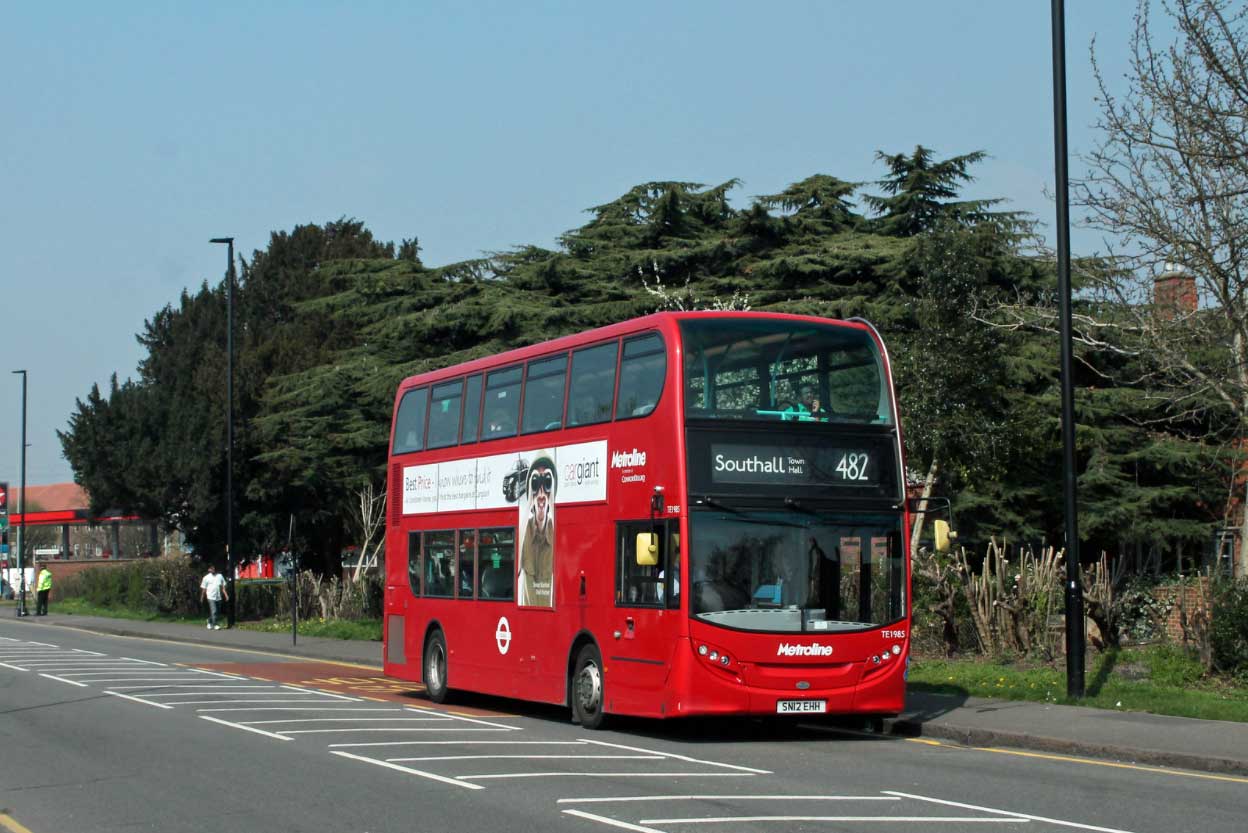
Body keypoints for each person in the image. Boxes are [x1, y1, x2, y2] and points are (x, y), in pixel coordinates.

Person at [518, 456, 556, 606]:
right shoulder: (524, 530)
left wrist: (551, 498)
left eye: (546, 484)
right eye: (535, 485)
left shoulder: (555, 530)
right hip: (526, 616)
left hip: (549, 617)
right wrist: (529, 501)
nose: (541, 494)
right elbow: (516, 569)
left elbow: (567, 558)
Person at [200, 564, 229, 630]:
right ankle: (215, 624)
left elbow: (223, 587)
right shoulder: (206, 578)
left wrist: (226, 595)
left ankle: (209, 621)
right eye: (211, 568)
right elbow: (204, 589)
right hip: (210, 597)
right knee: (214, 611)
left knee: (217, 612)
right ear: (209, 570)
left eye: (214, 568)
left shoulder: (220, 576)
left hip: (218, 597)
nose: (213, 570)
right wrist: (202, 597)